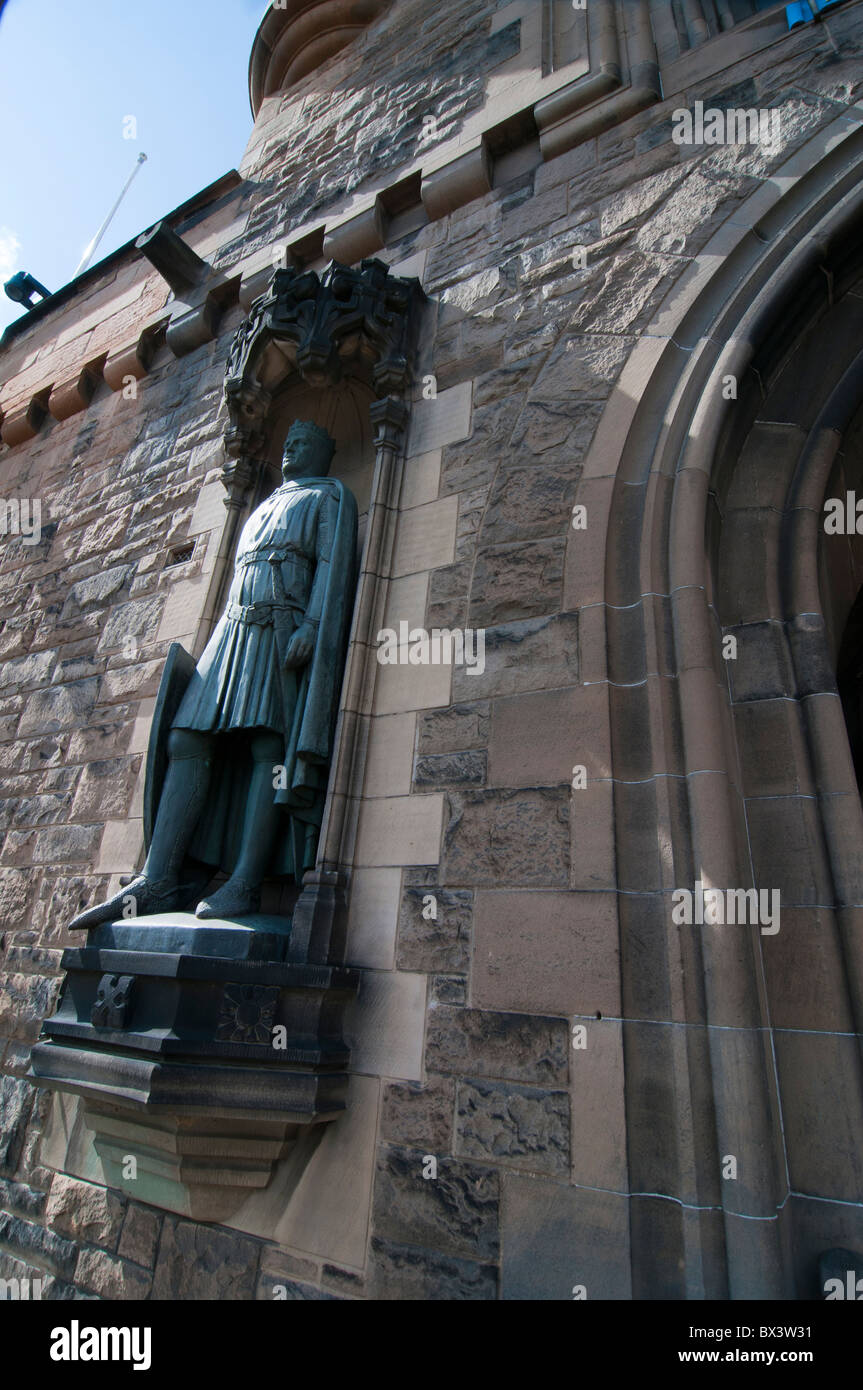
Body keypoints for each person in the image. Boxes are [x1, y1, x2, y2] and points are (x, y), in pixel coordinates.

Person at [70, 420, 357, 929]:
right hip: (233, 627)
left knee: (269, 748)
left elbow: (332, 567)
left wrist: (313, 624)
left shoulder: (328, 496)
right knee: (186, 736)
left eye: (304, 441)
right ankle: (159, 877)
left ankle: (245, 882)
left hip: (280, 624)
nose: (290, 445)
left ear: (325, 451)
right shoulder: (263, 503)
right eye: (287, 438)